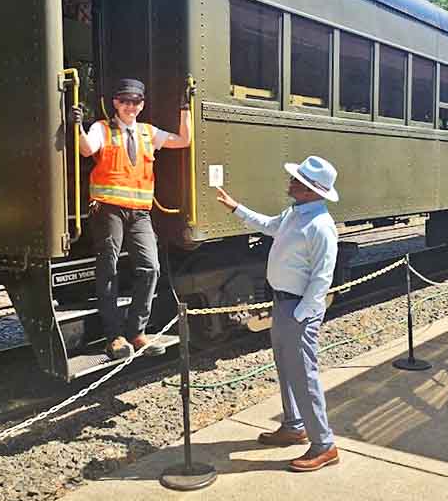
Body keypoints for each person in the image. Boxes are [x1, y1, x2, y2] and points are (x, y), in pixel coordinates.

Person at [216, 156, 340, 472]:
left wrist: (301, 314)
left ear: (312, 190)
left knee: (304, 375)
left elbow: (322, 278)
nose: (291, 182)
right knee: (286, 368)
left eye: (298, 180)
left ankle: (324, 445)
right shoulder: (295, 214)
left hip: (297, 308)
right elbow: (268, 225)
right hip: (283, 304)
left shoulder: (321, 226)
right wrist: (236, 208)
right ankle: (294, 425)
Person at [71, 78, 191, 360]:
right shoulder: (102, 128)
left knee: (150, 268)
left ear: (142, 104)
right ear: (115, 103)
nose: (130, 106)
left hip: (140, 212)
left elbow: (184, 140)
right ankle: (114, 337)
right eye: (124, 101)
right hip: (108, 209)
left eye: (135, 102)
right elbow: (86, 149)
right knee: (108, 269)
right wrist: (76, 126)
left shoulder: (148, 133)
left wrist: (186, 108)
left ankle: (137, 332)